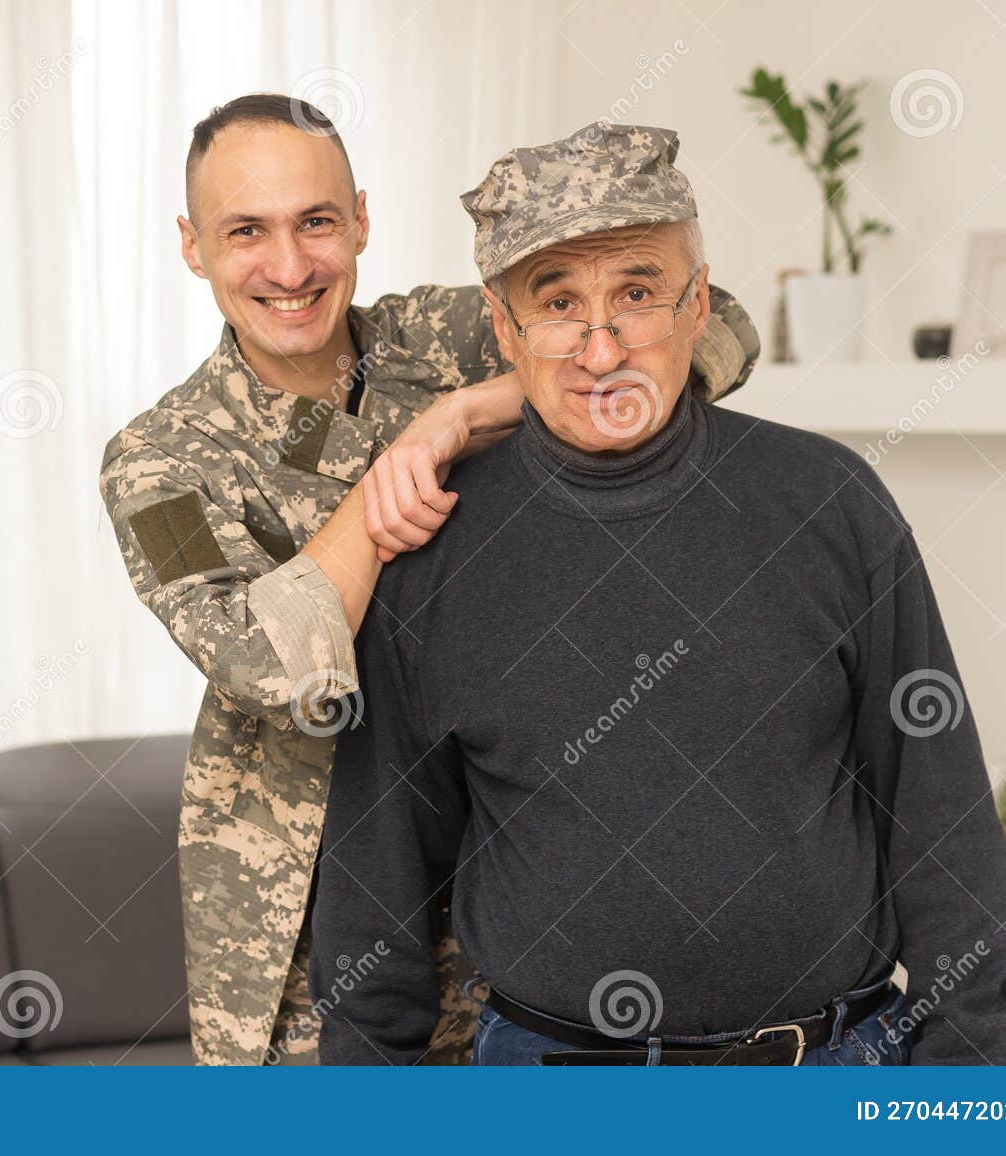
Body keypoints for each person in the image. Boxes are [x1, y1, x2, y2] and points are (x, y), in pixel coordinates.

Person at [312, 120, 1006, 1066]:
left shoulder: (830, 504)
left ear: (697, 306)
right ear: (504, 329)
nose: (600, 350)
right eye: (558, 303)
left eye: (637, 294)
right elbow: (378, 879)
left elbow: (944, 819)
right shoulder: (429, 549)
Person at [99, 97, 761, 1065]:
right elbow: (269, 665)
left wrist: (463, 409)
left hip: (513, 879)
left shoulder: (444, 339)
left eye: (315, 222)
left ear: (360, 219)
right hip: (301, 934)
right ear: (193, 246)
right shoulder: (157, 463)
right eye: (247, 232)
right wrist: (390, 480)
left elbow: (716, 331)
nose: (289, 268)